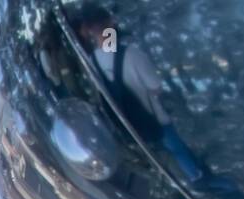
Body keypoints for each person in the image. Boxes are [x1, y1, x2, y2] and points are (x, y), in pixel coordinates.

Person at [75, 4, 223, 189]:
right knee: (177, 149)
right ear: (111, 22)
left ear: (89, 30)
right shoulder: (132, 54)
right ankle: (197, 178)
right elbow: (155, 87)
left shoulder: (92, 60)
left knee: (155, 150)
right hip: (156, 117)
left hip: (128, 121)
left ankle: (170, 179)